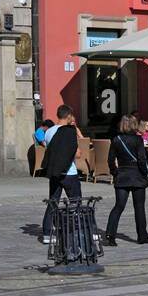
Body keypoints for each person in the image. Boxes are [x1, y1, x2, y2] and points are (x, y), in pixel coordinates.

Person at [103, 114, 148, 246]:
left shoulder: (116, 139)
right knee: (139, 207)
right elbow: (142, 160)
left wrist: (115, 173)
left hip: (122, 175)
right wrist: (145, 174)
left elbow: (110, 160)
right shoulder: (138, 140)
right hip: (137, 175)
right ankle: (142, 236)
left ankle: (110, 235)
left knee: (118, 206)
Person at [40, 105, 84, 245]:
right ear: (69, 116)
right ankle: (79, 230)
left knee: (53, 201)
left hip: (54, 172)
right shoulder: (70, 131)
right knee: (76, 202)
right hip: (69, 172)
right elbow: (77, 154)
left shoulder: (49, 132)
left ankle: (47, 233)